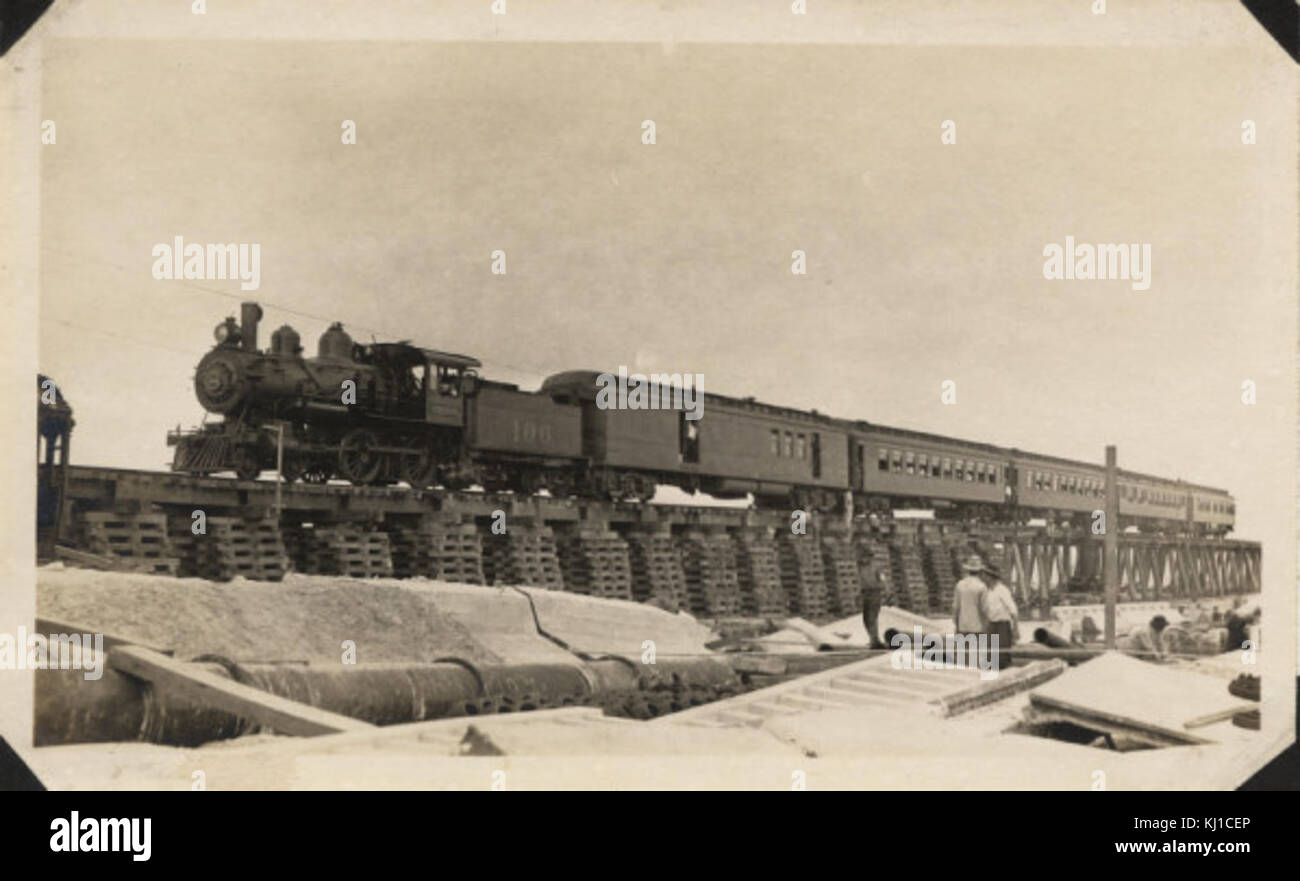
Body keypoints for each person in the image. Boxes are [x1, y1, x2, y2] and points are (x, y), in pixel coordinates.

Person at [978, 563, 1018, 667]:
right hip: (992, 624)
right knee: (991, 653)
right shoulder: (989, 591)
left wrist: (1015, 628)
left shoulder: (1002, 590)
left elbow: (1013, 610)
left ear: (991, 577)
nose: (983, 578)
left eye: (985, 575)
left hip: (1002, 625)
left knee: (1002, 653)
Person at [952, 554, 989, 638]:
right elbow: (984, 609)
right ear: (980, 572)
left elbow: (955, 607)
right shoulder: (982, 587)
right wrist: (986, 626)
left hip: (962, 626)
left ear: (967, 570)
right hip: (977, 627)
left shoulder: (960, 584)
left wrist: (956, 624)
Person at [861, 566, 887, 649]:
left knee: (872, 617)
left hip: (874, 593)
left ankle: (875, 640)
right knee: (866, 618)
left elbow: (883, 580)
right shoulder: (862, 568)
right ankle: (873, 639)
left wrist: (885, 591)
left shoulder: (876, 568)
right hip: (866, 594)